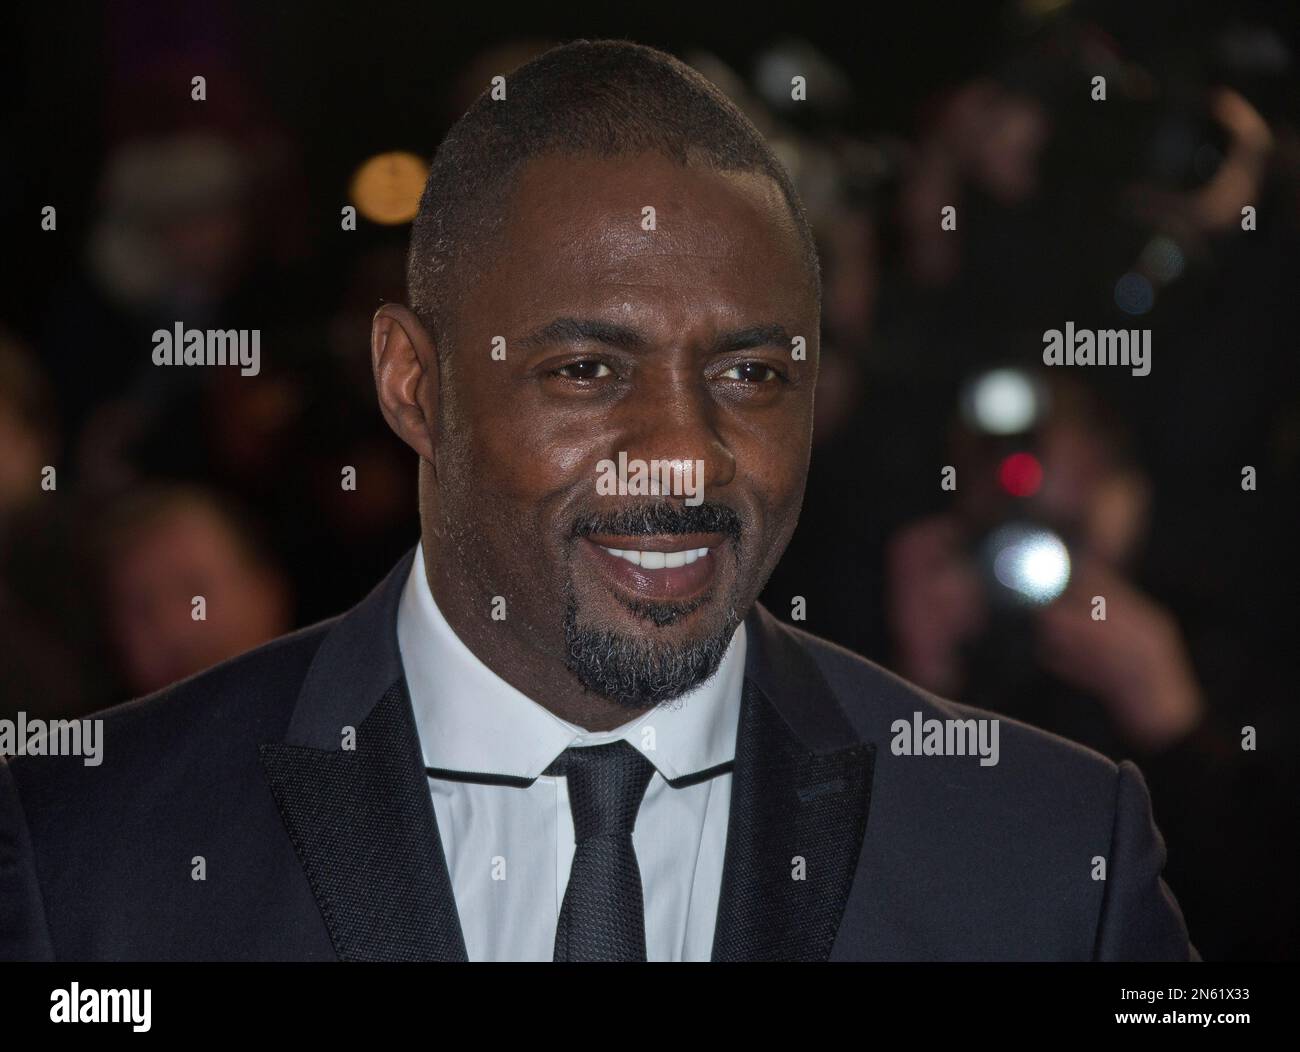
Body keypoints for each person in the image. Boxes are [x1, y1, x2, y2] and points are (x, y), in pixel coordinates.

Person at [0, 40, 1195, 962]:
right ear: (412, 383)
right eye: (585, 370)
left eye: (751, 374)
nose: (684, 455)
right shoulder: (91, 849)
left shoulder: (1044, 854)